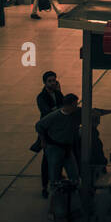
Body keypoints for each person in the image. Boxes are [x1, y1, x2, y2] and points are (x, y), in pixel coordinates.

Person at [36, 94, 83, 190]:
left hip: (67, 148)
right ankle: (55, 192)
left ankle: (72, 190)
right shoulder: (54, 116)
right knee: (54, 173)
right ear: (68, 105)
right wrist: (43, 141)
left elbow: (93, 111)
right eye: (74, 104)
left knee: (73, 173)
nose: (76, 106)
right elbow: (39, 126)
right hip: (54, 148)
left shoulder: (76, 113)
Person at [33, 71, 65, 199]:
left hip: (57, 130)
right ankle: (44, 186)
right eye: (50, 81)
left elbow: (63, 106)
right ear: (45, 83)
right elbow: (46, 112)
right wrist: (58, 109)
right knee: (46, 159)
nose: (52, 83)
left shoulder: (57, 93)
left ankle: (57, 177)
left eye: (54, 80)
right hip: (47, 132)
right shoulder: (41, 97)